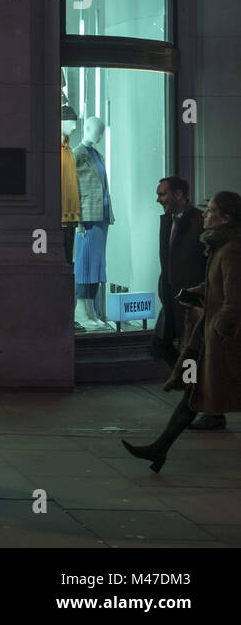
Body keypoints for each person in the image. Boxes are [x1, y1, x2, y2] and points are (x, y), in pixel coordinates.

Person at [124, 190, 241, 469]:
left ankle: (159, 449)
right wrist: (195, 293)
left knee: (199, 392)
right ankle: (159, 449)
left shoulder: (232, 251)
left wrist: (221, 332)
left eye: (211, 210)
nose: (205, 214)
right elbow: (220, 288)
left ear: (225, 219)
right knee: (193, 393)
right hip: (212, 339)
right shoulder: (220, 247)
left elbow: (234, 301)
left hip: (225, 342)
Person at [152, 177, 219, 427]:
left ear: (179, 194)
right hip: (172, 296)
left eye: (163, 194)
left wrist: (201, 295)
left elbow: (208, 264)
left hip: (192, 300)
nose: (158, 199)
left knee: (193, 355)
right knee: (161, 343)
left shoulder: (200, 221)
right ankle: (191, 389)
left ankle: (201, 401)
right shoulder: (168, 220)